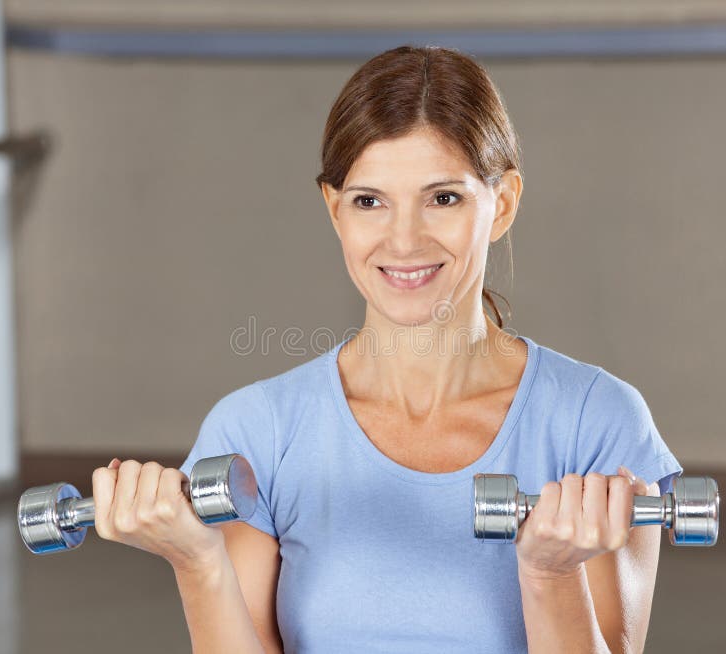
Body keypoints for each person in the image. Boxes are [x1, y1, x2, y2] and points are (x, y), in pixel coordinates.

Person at [91, 45, 682, 653]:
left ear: (502, 203)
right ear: (334, 208)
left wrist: (551, 572)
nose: (404, 240)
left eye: (443, 198)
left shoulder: (598, 421)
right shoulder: (256, 432)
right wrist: (197, 561)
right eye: (369, 201)